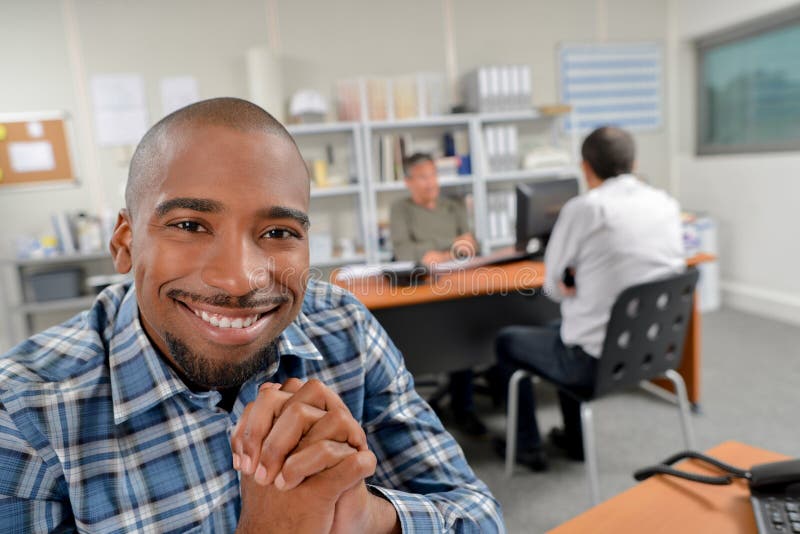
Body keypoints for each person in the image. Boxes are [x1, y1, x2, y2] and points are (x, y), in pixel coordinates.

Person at [0, 98, 503, 533]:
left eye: (279, 232)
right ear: (125, 242)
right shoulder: (25, 416)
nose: (240, 280)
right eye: (190, 224)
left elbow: (479, 515)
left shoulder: (343, 328)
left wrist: (370, 520)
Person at [495, 126, 684, 471]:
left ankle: (527, 448)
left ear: (585, 168)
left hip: (593, 365)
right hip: (651, 352)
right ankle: (574, 441)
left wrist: (573, 282)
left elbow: (552, 288)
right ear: (634, 162)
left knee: (508, 342)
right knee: (563, 328)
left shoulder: (586, 209)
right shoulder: (666, 204)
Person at [389, 153, 487, 437]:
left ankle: (465, 406)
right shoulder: (401, 210)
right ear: (408, 182)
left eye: (433, 175)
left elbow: (471, 246)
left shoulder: (453, 206)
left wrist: (436, 252)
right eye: (422, 177)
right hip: (419, 293)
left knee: (468, 330)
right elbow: (406, 253)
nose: (430, 182)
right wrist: (450, 248)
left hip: (459, 288)